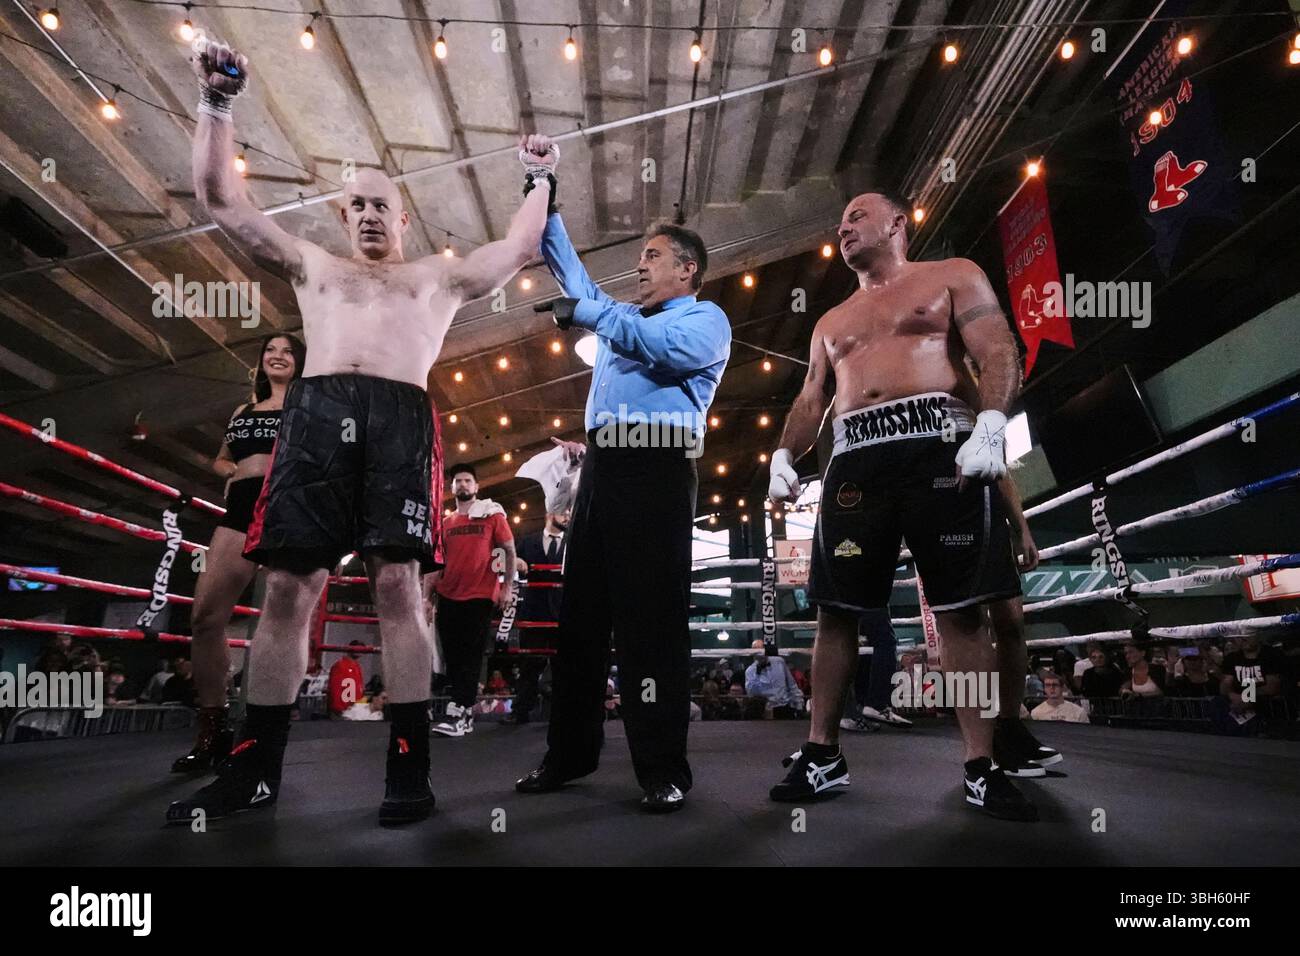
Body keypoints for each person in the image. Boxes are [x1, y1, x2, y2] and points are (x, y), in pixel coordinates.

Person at [169, 41, 553, 826]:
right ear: (344, 216)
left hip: (401, 419)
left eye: (383, 204)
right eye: (359, 205)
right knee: (287, 589)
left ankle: (408, 771)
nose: (372, 214)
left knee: (397, 587)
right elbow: (219, 198)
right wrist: (215, 104)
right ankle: (256, 770)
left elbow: (517, 247)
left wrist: (541, 177)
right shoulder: (314, 265)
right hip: (315, 419)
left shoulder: (435, 278)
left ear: (403, 216)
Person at [766, 191, 1037, 821]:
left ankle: (980, 762)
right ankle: (822, 753)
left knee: (964, 612)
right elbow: (812, 398)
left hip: (939, 449)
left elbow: (997, 348)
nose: (843, 227)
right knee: (837, 611)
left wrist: (992, 422)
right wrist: (783, 455)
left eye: (856, 216)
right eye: (839, 222)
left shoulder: (952, 275)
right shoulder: (830, 321)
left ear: (897, 223)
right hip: (856, 462)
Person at [514, 134, 732, 813]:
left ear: (687, 270)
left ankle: (662, 768)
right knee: (579, 622)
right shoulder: (620, 319)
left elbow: (648, 341)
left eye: (652, 257)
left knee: (651, 624)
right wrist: (539, 185)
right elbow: (570, 273)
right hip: (604, 471)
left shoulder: (705, 321)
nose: (639, 268)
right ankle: (568, 755)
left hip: (659, 470)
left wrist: (591, 312)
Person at [173, 332, 305, 774]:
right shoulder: (243, 410)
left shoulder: (306, 405)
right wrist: (230, 470)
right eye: (270, 350)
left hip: (287, 506)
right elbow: (221, 458)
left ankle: (266, 734)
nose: (277, 356)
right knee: (205, 617)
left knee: (282, 620)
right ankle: (213, 727)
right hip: (241, 506)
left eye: (287, 351)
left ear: (299, 361)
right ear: (261, 360)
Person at [425, 464, 516, 738]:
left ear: (476, 486)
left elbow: (509, 550)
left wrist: (507, 586)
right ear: (452, 488)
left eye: (467, 480)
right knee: (451, 657)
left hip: (479, 595)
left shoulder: (491, 515)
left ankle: (461, 711)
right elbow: (434, 563)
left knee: (470, 655)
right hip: (448, 594)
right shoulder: (445, 523)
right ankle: (459, 711)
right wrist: (426, 598)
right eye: (458, 481)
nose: (463, 485)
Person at [509, 506, 570, 724]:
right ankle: (520, 711)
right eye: (563, 511)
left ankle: (563, 713)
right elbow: (510, 560)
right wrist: (516, 562)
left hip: (563, 613)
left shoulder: (573, 542)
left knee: (564, 666)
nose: (567, 516)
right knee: (528, 665)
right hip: (534, 613)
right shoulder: (527, 540)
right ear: (549, 514)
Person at [840, 608, 912, 732]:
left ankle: (853, 712)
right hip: (867, 595)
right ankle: (876, 705)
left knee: (852, 639)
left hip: (840, 597)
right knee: (885, 642)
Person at [744, 641, 805, 718]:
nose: (760, 653)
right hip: (765, 710)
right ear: (752, 653)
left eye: (761, 649)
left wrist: (799, 705)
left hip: (784, 707)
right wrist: (757, 673)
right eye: (756, 650)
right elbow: (752, 694)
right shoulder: (750, 671)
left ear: (765, 649)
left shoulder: (779, 662)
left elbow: (792, 685)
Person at [328, 641, 367, 716]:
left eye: (361, 649)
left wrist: (360, 706)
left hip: (354, 709)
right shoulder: (340, 665)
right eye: (357, 648)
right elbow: (335, 688)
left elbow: (359, 688)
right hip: (342, 710)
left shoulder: (357, 666)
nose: (360, 651)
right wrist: (338, 708)